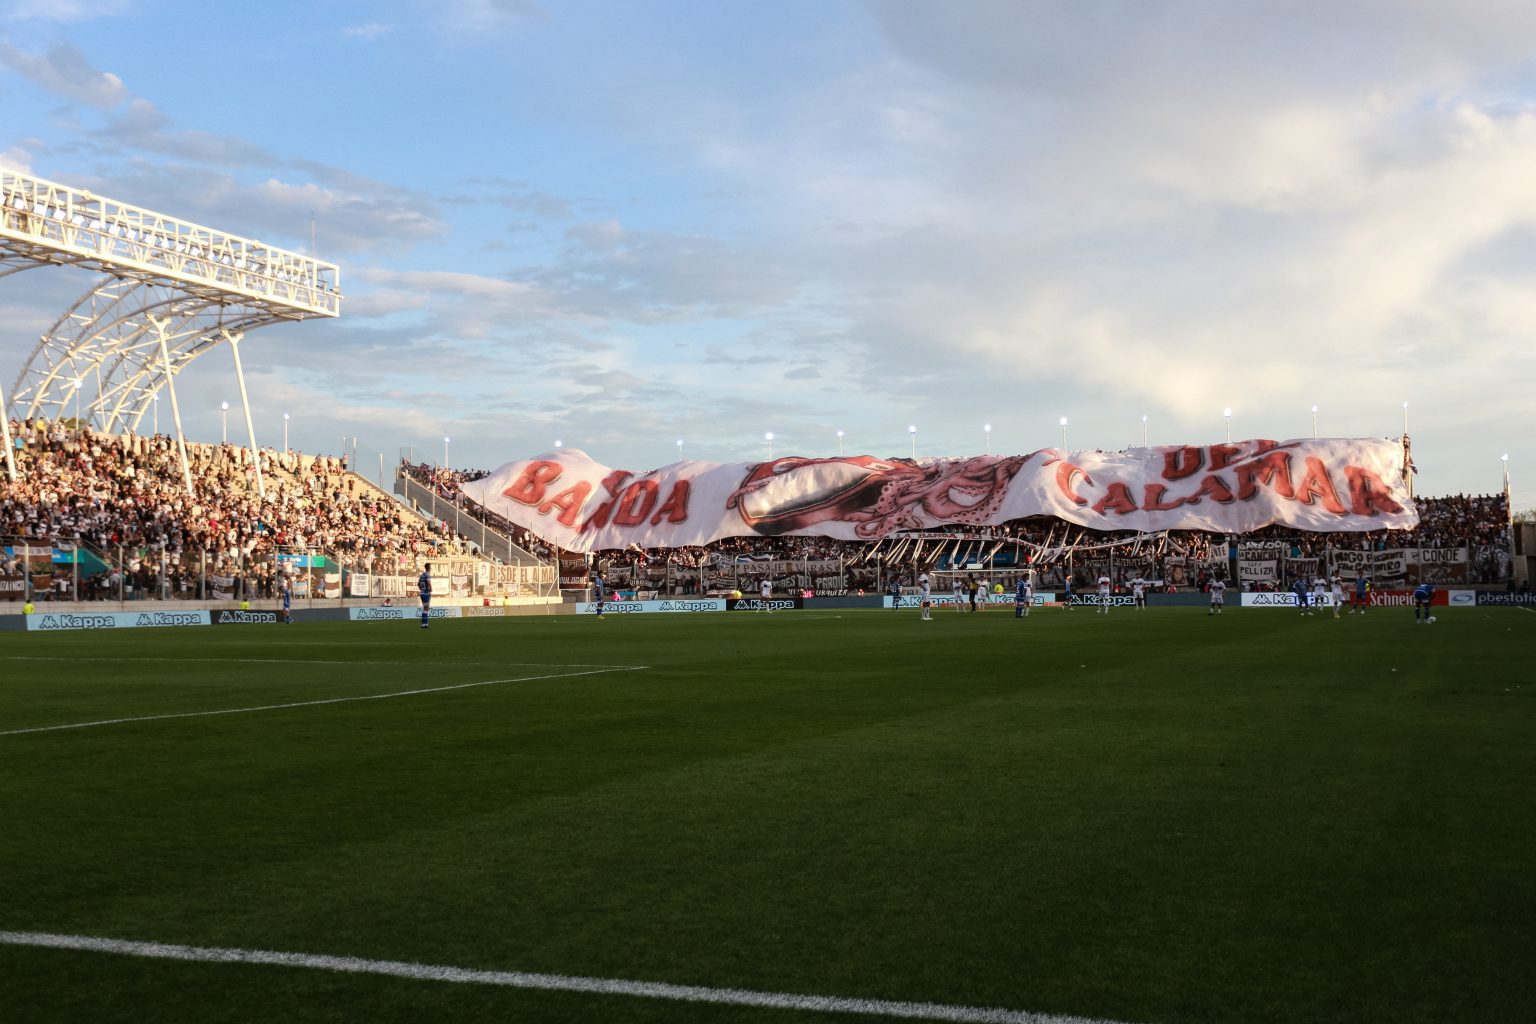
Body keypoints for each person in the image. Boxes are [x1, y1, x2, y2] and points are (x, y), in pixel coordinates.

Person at [418, 565, 432, 629]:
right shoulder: (427, 575)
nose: (431, 568)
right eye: (430, 567)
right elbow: (428, 582)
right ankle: (424, 624)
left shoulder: (422, 575)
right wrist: (431, 588)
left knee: (425, 608)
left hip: (422, 593)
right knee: (426, 608)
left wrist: (421, 589)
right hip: (426, 593)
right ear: (429, 568)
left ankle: (425, 624)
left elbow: (418, 584)